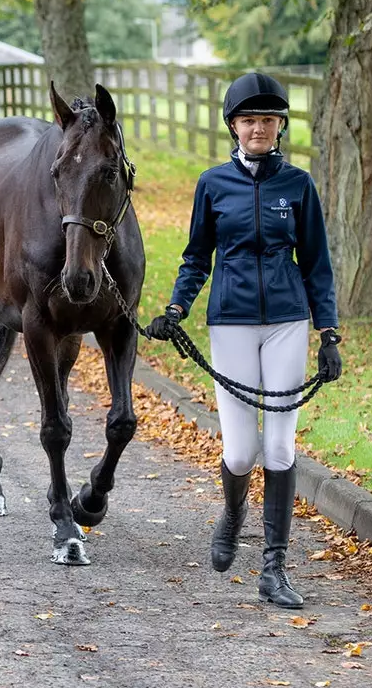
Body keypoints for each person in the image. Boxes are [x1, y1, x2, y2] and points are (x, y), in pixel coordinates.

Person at [145, 72, 343, 609]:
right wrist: (175, 308)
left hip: (286, 321)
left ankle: (274, 568)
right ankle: (233, 514)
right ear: (234, 126)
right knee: (240, 450)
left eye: (269, 120)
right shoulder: (213, 184)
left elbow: (318, 265)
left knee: (279, 447)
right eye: (250, 120)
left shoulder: (298, 186)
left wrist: (329, 333)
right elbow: (196, 257)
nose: (259, 128)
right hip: (230, 322)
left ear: (281, 127)